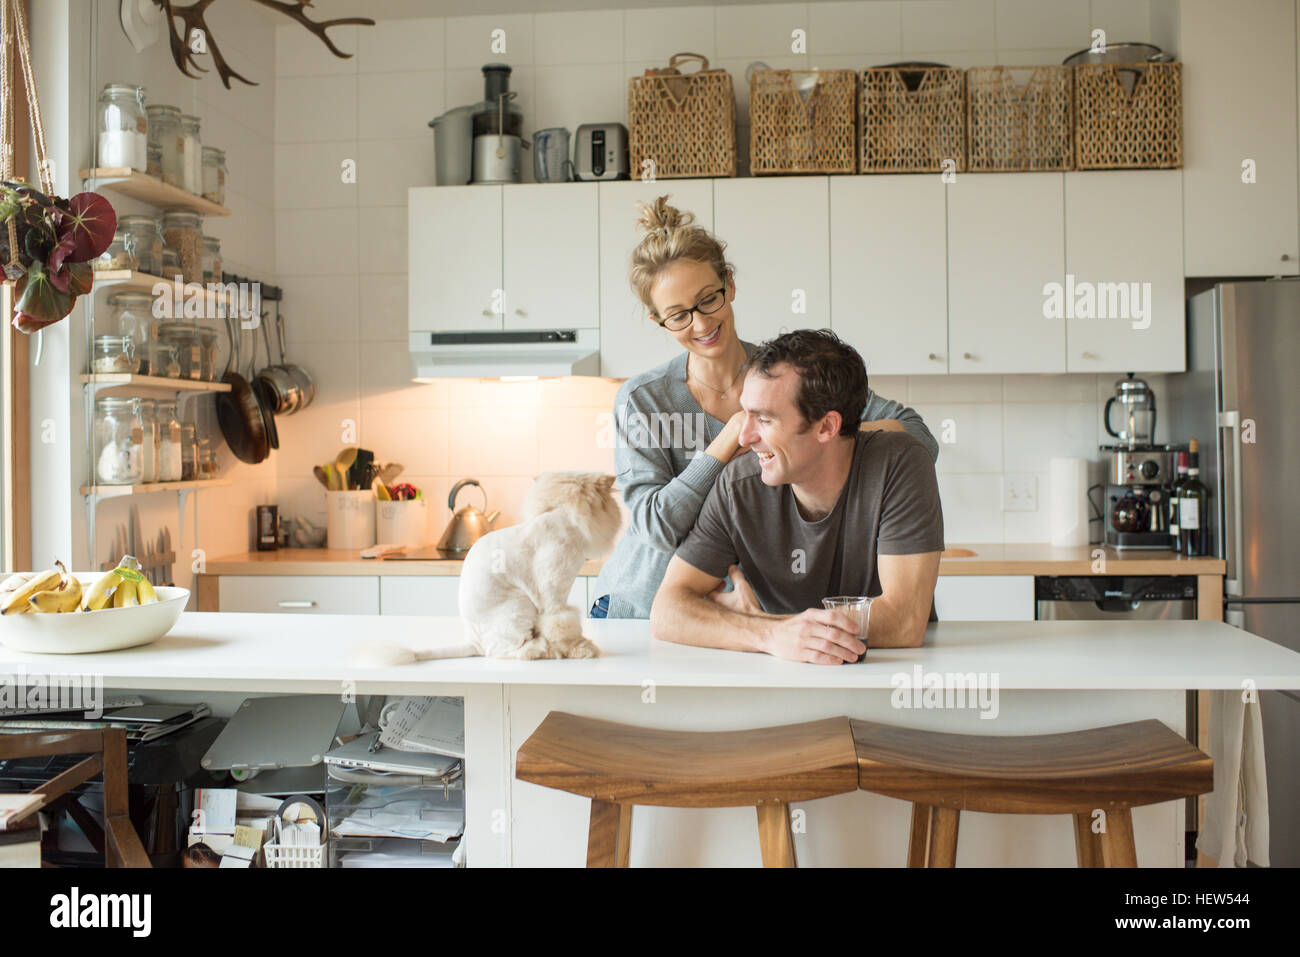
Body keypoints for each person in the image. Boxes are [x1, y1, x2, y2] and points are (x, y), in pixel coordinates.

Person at [590, 196, 938, 620]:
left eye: (708, 300)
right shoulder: (643, 401)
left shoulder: (785, 376)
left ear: (729, 285)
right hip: (649, 608)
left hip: (746, 608)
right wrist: (724, 446)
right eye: (678, 316)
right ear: (658, 321)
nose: (700, 324)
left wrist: (815, 434)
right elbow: (657, 528)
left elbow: (917, 436)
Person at [649, 329, 944, 664]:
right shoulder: (738, 484)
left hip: (886, 678)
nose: (744, 437)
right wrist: (770, 635)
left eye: (764, 418)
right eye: (745, 414)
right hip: (779, 679)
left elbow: (904, 622)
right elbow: (667, 611)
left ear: (826, 427)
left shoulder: (899, 463)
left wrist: (763, 623)